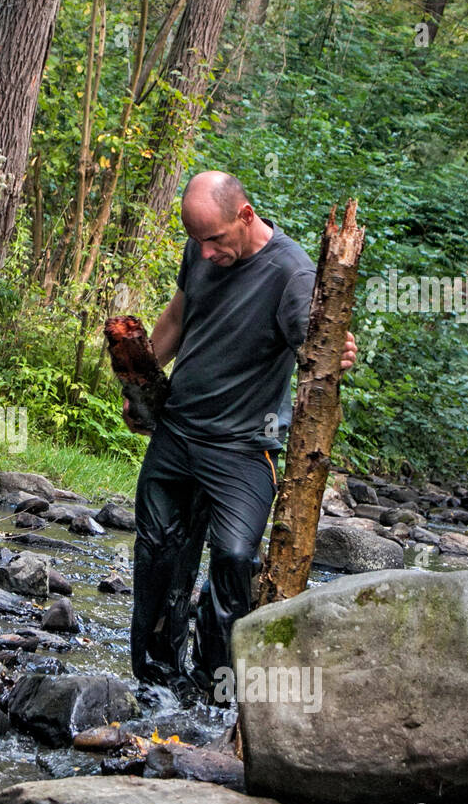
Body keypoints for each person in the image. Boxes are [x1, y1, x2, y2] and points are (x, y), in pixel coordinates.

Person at [124, 170, 357, 705]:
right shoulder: (200, 248)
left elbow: (318, 347)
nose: (205, 253)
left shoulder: (292, 274)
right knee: (160, 554)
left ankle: (213, 687)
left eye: (215, 240)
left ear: (246, 216)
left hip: (244, 448)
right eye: (197, 241)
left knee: (232, 558)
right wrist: (140, 378)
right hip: (178, 433)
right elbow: (179, 316)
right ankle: (158, 683)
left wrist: (336, 351)